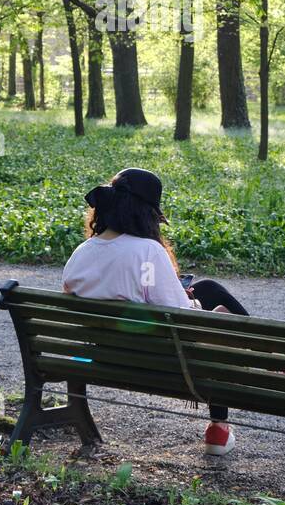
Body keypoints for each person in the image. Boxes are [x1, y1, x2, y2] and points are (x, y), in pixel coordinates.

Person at [62, 167, 249, 457]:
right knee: (216, 309)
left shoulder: (81, 253)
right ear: (145, 214)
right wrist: (195, 304)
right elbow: (180, 317)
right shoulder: (148, 251)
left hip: (105, 357)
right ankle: (220, 426)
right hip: (164, 361)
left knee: (207, 288)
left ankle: (269, 360)